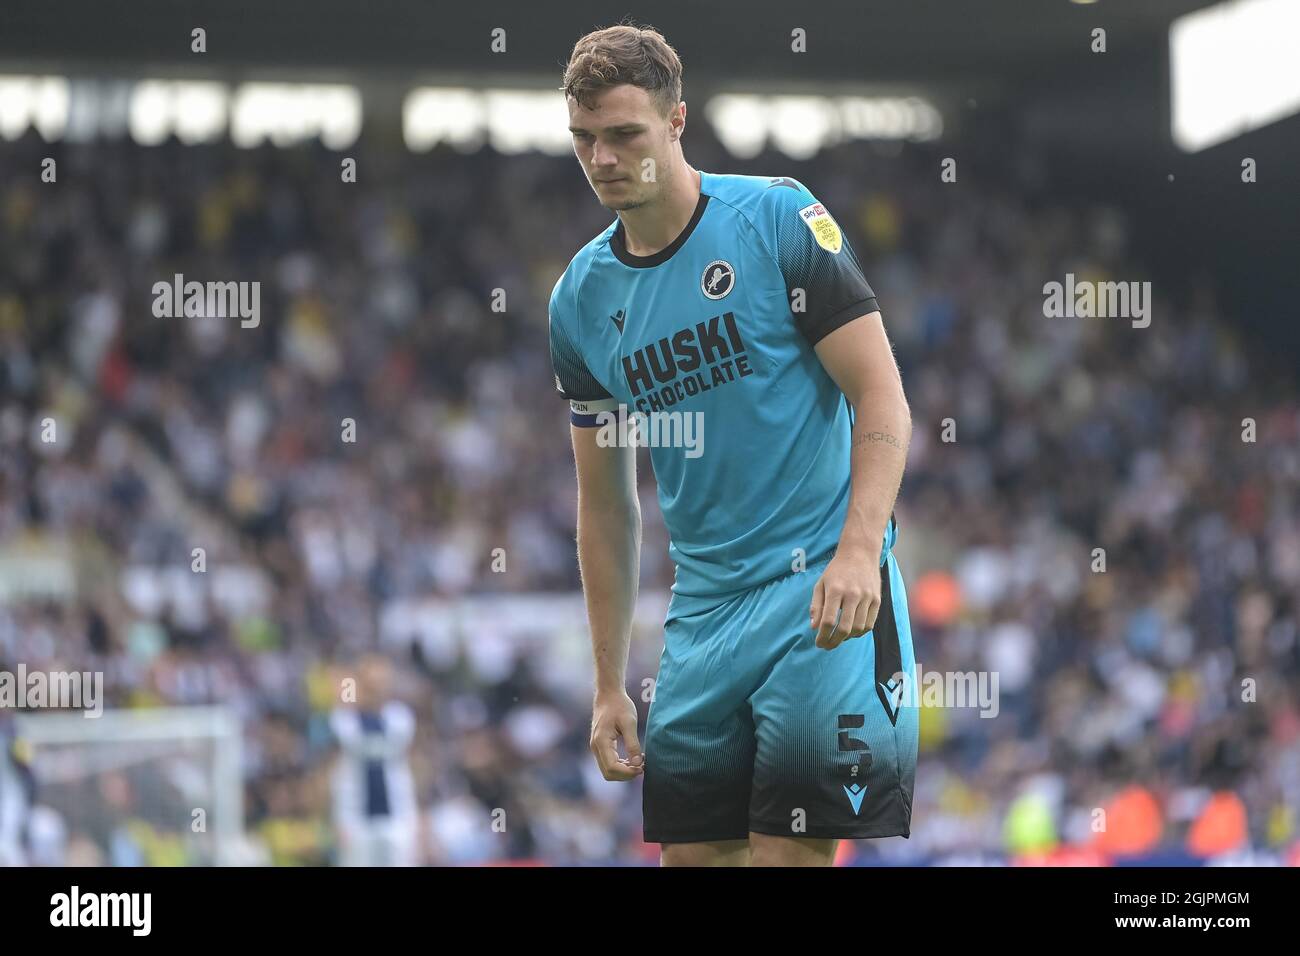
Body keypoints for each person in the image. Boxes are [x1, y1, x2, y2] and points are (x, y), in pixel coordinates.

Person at [549, 23, 917, 866]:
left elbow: (881, 394)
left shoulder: (777, 220)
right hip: (704, 619)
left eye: (623, 134)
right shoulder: (579, 302)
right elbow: (606, 504)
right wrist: (608, 682)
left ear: (678, 122)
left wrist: (861, 550)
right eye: (584, 140)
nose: (602, 158)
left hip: (820, 596)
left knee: (789, 858)